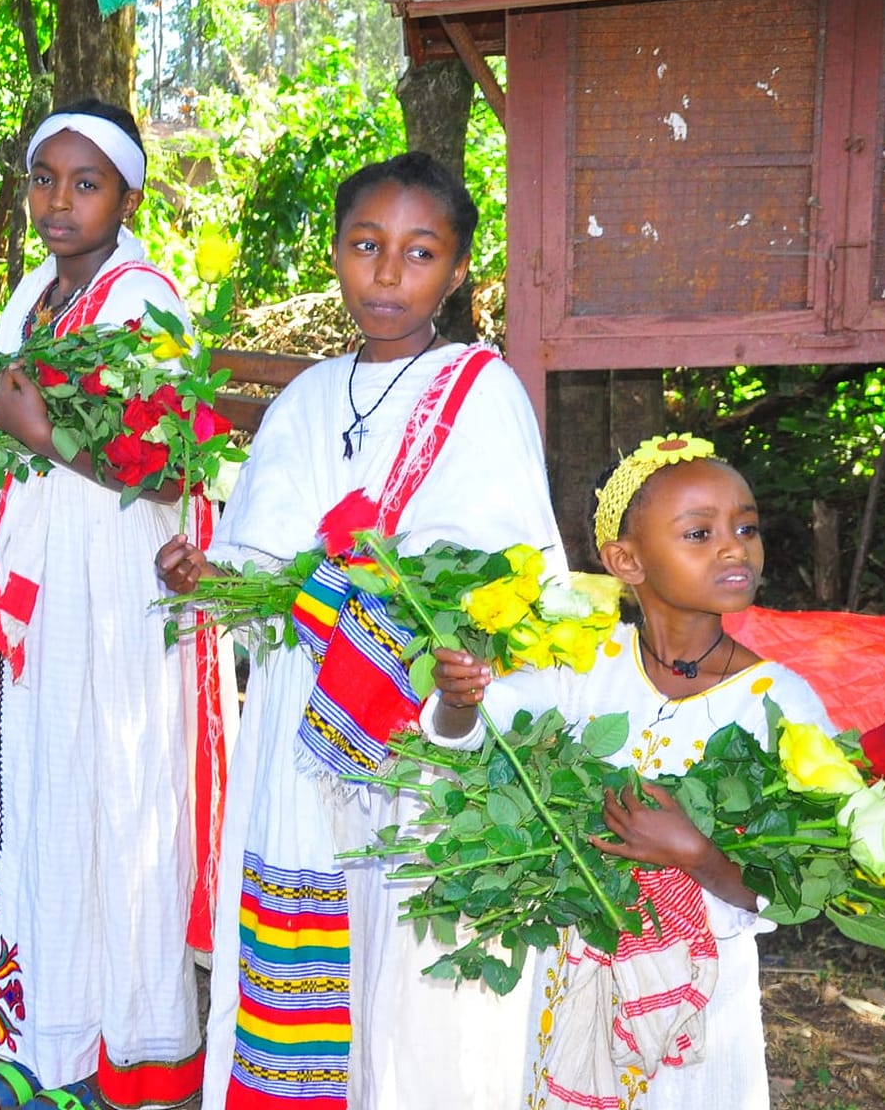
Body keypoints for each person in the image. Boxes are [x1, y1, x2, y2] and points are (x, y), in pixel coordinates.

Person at [155, 151, 564, 1110]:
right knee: (319, 951)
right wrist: (206, 578)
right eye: (365, 246)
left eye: (418, 253)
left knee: (409, 963)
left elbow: (506, 574)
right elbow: (259, 573)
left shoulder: (479, 390)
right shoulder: (302, 399)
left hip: (414, 714)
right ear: (335, 252)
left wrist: (378, 597)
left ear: (457, 271)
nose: (387, 274)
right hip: (305, 715)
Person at [0, 101, 227, 1110]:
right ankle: (50, 1036)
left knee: (118, 800)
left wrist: (37, 431)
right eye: (43, 180)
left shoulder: (143, 300)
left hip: (115, 588)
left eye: (84, 181)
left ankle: (127, 1052)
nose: (58, 201)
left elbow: (163, 470)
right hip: (46, 588)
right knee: (45, 801)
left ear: (129, 196)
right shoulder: (32, 294)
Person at [427, 437, 831, 1110]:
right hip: (577, 969)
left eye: (747, 528)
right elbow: (470, 731)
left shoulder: (778, 703)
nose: (735, 547)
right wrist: (458, 696)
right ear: (626, 560)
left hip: (701, 1003)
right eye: (700, 533)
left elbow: (792, 891)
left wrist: (695, 854)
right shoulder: (586, 661)